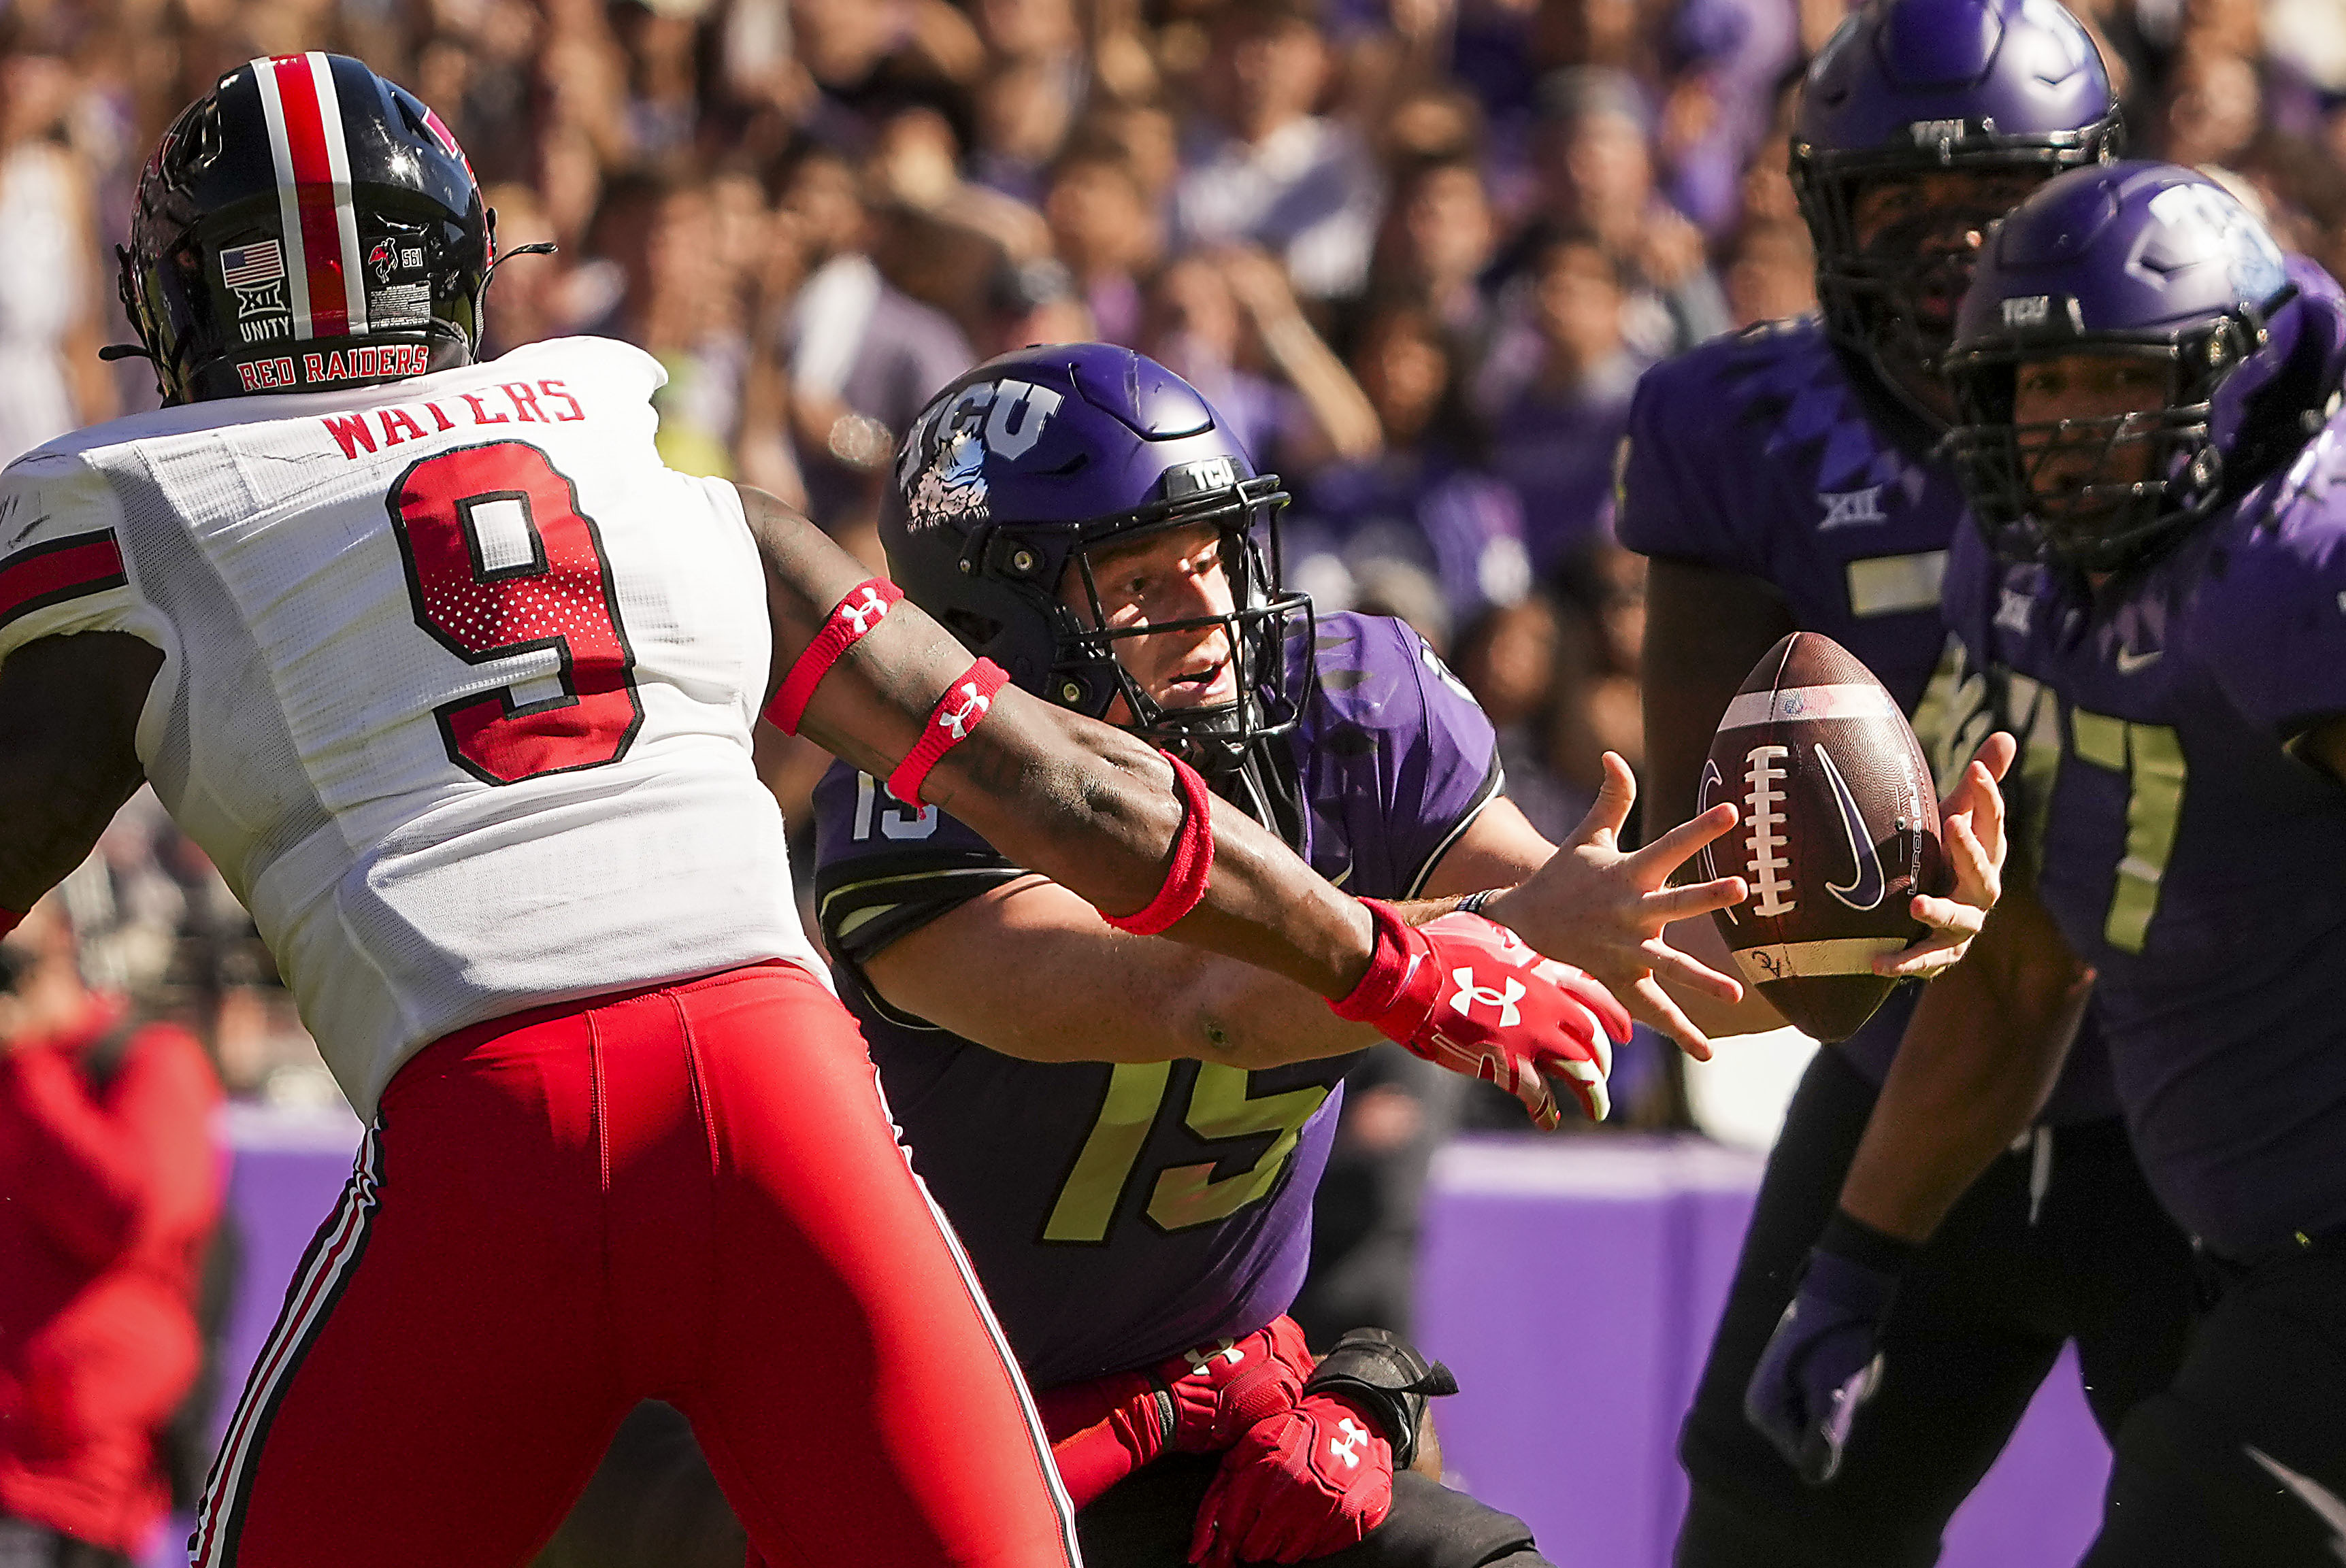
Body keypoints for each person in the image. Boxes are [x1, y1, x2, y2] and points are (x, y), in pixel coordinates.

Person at [0, 54, 1674, 1568]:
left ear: (182, 305)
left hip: (486, 1128)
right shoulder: (628, 445)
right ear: (462, 274)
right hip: (782, 1113)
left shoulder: (128, 509)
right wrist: (1401, 962)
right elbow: (1071, 785)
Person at [1617, 3, 2198, 1564]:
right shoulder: (1737, 425)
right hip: (1901, 1080)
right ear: (1822, 209)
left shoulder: (2230, 401)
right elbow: (1705, 902)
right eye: (1901, 207)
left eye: (1993, 202)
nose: (1952, 251)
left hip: (2203, 1106)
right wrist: (1817, 934)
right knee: (1761, 1534)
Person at [1762, 160, 2346, 1566]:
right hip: (2248, 1257)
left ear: (2237, 373)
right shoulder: (2018, 569)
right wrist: (1854, 1257)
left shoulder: (2293, 574)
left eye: (2113, 381)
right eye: (2035, 385)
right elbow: (2022, 962)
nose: (2069, 427)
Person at [0, 899, 224, 1567]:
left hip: (74, 1484)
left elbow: (125, 1215)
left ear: (61, 942)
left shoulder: (148, 1060)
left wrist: (29, 1064)